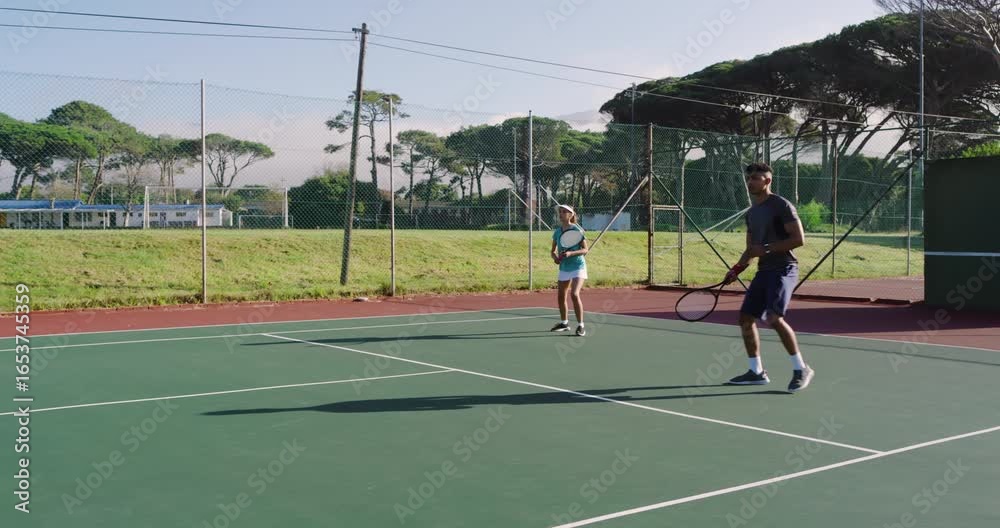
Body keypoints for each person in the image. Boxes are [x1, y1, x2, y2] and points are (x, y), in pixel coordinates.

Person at [723, 162, 814, 393]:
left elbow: (798, 239)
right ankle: (756, 372)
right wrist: (737, 268)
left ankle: (801, 368)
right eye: (749, 178)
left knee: (773, 317)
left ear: (768, 180)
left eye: (756, 177)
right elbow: (751, 249)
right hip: (764, 270)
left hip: (784, 268)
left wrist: (766, 249)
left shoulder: (781, 205)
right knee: (745, 318)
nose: (751, 181)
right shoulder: (752, 213)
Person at [550, 204, 588, 337]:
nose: (561, 214)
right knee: (561, 296)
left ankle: (581, 326)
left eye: (564, 212)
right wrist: (555, 257)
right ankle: (564, 323)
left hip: (578, 266)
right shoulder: (557, 232)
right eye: (560, 212)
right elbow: (553, 251)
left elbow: (585, 250)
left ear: (571, 215)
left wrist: (571, 254)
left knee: (575, 294)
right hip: (564, 267)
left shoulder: (578, 230)